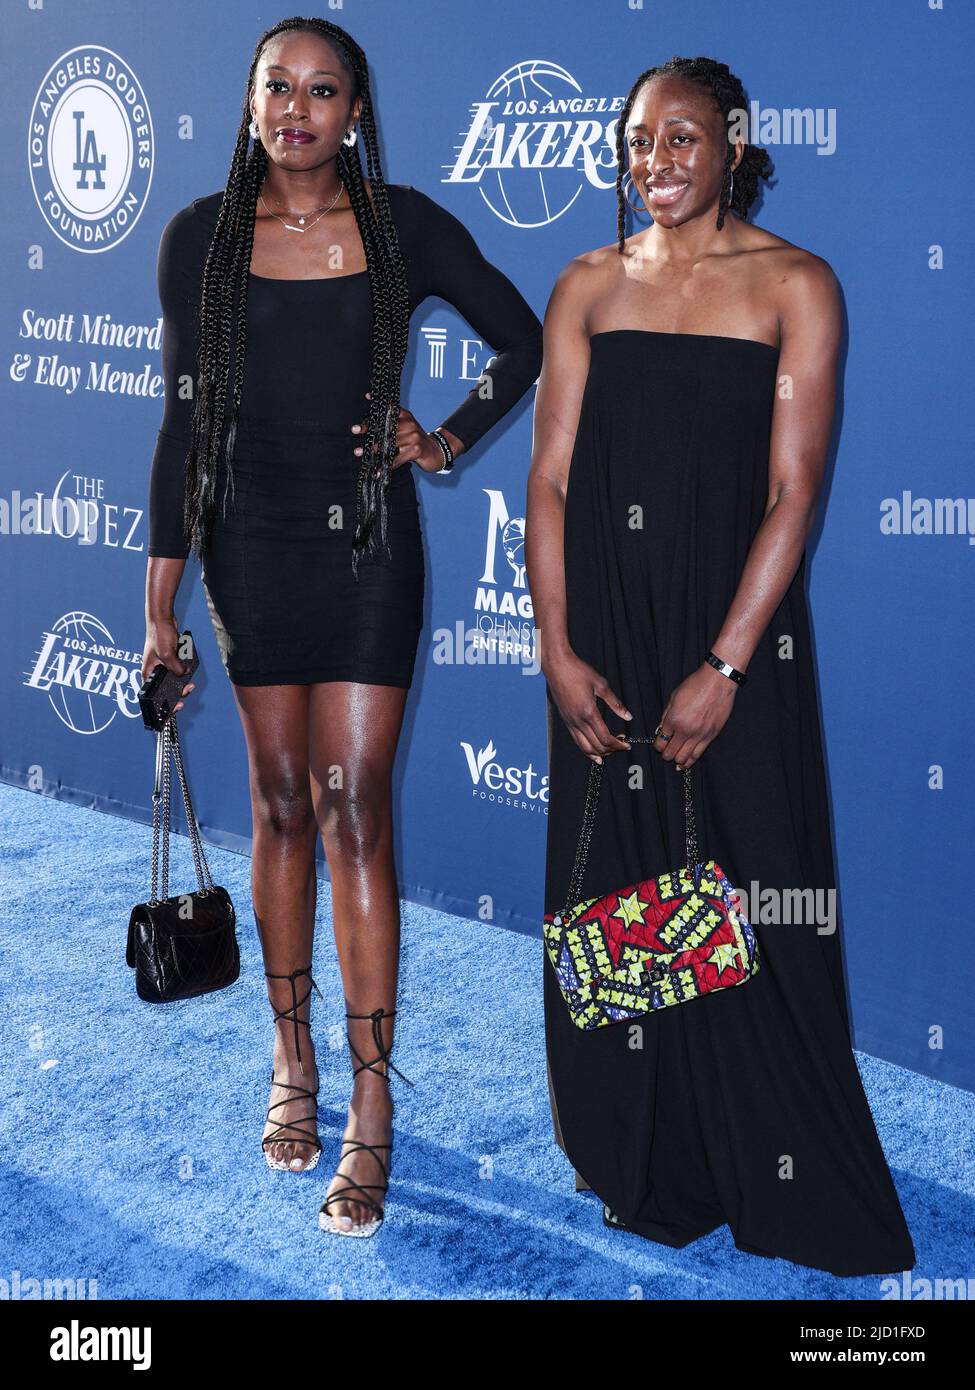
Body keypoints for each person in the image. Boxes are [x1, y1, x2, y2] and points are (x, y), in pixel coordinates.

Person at [142, 16, 542, 1237]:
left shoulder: (402, 225)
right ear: (251, 98)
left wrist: (446, 437)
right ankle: (292, 1060)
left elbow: (520, 339)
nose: (297, 107)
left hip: (368, 542)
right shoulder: (197, 240)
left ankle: (371, 1104)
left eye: (324, 90)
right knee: (277, 803)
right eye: (279, 85)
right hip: (246, 541)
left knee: (355, 804)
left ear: (357, 113)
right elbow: (180, 425)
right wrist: (157, 606)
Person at [524, 55, 916, 1277]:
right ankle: (655, 1155)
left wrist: (727, 666)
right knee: (627, 893)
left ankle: (783, 1164)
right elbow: (547, 476)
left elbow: (796, 493)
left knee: (753, 886)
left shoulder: (796, 282)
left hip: (734, 640)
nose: (656, 162)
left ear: (736, 144)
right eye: (638, 141)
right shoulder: (586, 283)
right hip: (606, 636)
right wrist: (555, 648)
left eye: (682, 138)